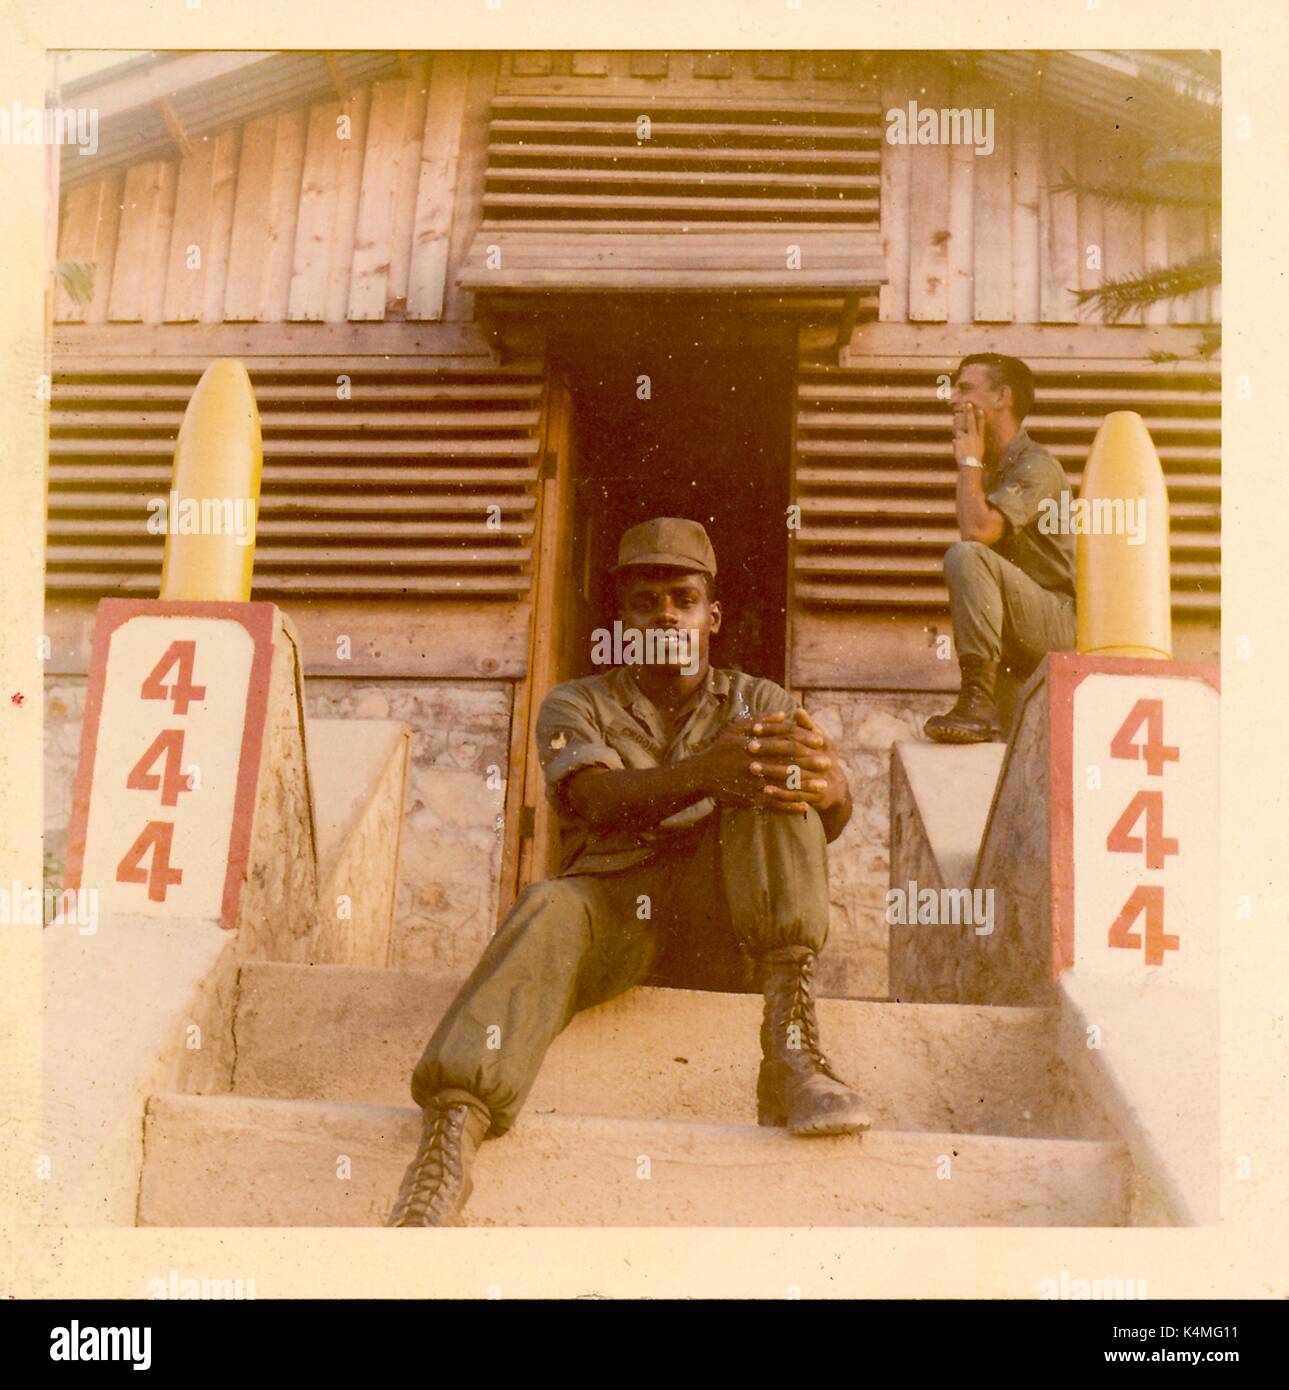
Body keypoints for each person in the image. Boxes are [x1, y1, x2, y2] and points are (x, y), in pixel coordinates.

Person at [388, 517, 871, 1227]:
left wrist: (834, 795)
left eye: (682, 596)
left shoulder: (758, 700)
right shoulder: (574, 702)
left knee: (773, 785)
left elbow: (812, 809)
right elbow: (593, 798)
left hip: (728, 920)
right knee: (550, 904)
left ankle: (791, 1055)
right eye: (645, 602)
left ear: (712, 615)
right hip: (616, 915)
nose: (665, 614)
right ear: (623, 618)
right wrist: (709, 773)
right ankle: (446, 1150)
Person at [924, 353, 1076, 743]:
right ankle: (980, 704)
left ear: (1002, 397)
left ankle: (976, 701)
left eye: (965, 388)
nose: (952, 398)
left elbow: (977, 531)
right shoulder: (993, 471)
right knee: (1010, 760)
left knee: (965, 555)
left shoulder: (1038, 465)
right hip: (1015, 635)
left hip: (1055, 622)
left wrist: (969, 461)